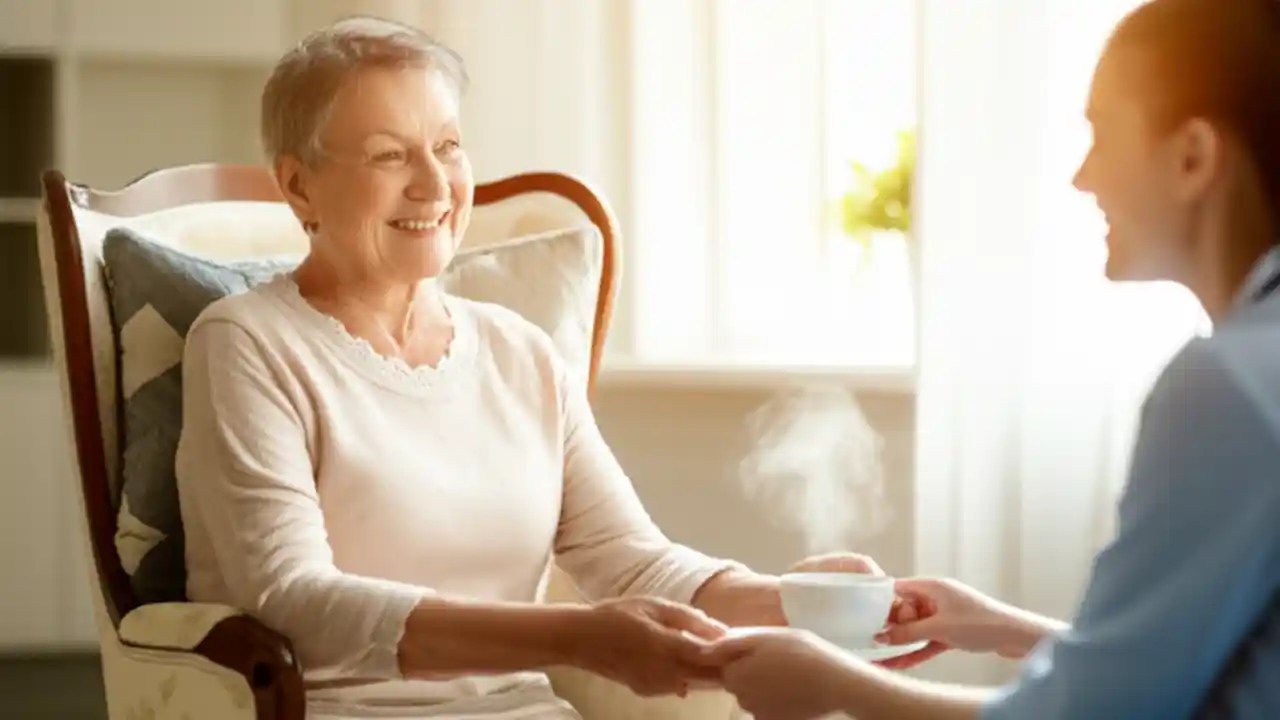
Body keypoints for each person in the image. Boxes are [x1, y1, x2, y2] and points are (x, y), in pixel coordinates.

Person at [173, 16, 876, 720]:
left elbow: (632, 561)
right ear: (298, 187)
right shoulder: (247, 343)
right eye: (390, 156)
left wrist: (798, 601)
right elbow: (293, 600)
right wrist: (574, 637)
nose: (434, 185)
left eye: (447, 146)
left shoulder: (522, 354)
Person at [703, 0, 1280, 717]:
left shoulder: (1226, 387)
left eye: (1101, 136)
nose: (1082, 177)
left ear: (1193, 156)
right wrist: (1001, 629)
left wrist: (839, 685)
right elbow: (1169, 673)